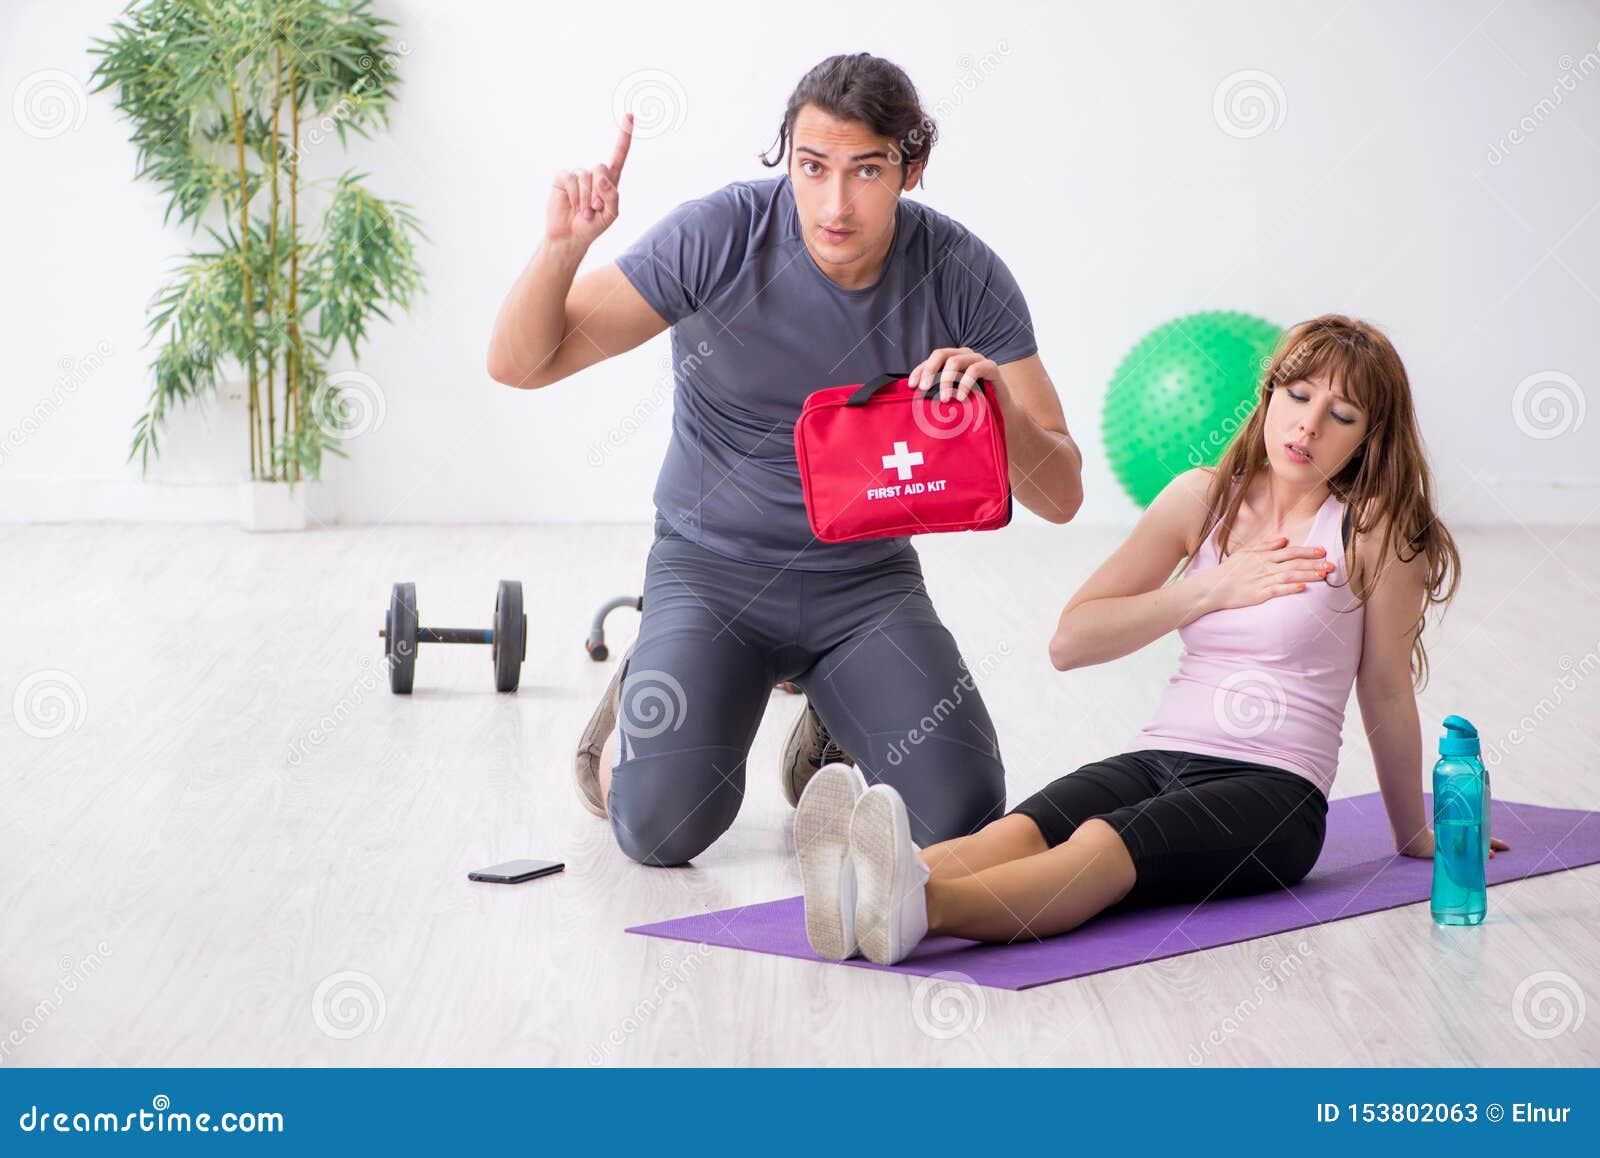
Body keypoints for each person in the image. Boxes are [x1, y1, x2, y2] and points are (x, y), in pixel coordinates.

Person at [487, 54, 1084, 866]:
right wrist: (563, 249)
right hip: (710, 572)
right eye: (813, 167)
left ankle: (830, 718)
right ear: (787, 160)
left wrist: (999, 411)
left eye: (866, 170)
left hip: (865, 588)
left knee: (963, 824)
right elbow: (521, 364)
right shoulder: (722, 234)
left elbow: (1063, 496)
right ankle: (659, 666)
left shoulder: (959, 272)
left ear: (912, 169)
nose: (835, 203)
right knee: (661, 831)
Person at [794, 315, 1511, 965]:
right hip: (1159, 755)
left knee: (1101, 846)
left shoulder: (1374, 529)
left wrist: (1416, 831)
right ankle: (858, 883)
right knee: (1014, 835)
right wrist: (1211, 589)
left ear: (1367, 438)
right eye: (1297, 396)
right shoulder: (1203, 500)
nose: (1309, 425)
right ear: (1268, 397)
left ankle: (916, 909)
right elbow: (1071, 642)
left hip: (1274, 789)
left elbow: (1383, 683)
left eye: (1342, 414)